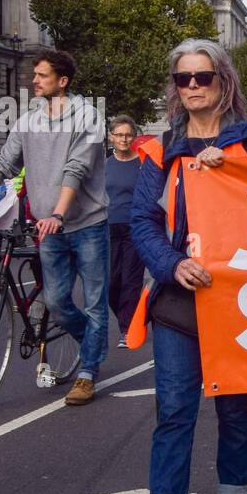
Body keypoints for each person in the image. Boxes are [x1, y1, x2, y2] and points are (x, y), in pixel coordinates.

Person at [122, 38, 247, 494]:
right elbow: (142, 220)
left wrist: (235, 173)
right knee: (174, 411)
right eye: (183, 78)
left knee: (235, 411)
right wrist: (171, 266)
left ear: (223, 82)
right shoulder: (161, 150)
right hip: (178, 302)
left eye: (202, 77)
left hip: (241, 303)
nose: (192, 86)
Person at [0, 49, 109, 405]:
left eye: (41, 75)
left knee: (95, 303)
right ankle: (92, 341)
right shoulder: (28, 120)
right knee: (55, 301)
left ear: (63, 81)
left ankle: (87, 374)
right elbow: (4, 164)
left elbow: (77, 168)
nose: (34, 81)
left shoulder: (87, 117)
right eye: (35, 75)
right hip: (47, 228)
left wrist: (57, 213)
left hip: (86, 223)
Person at [105, 115, 144, 347]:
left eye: (128, 135)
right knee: (111, 282)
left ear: (134, 137)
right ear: (111, 137)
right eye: (119, 135)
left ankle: (127, 329)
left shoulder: (142, 163)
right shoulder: (105, 164)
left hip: (135, 228)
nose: (124, 139)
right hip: (108, 228)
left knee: (130, 280)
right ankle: (125, 317)